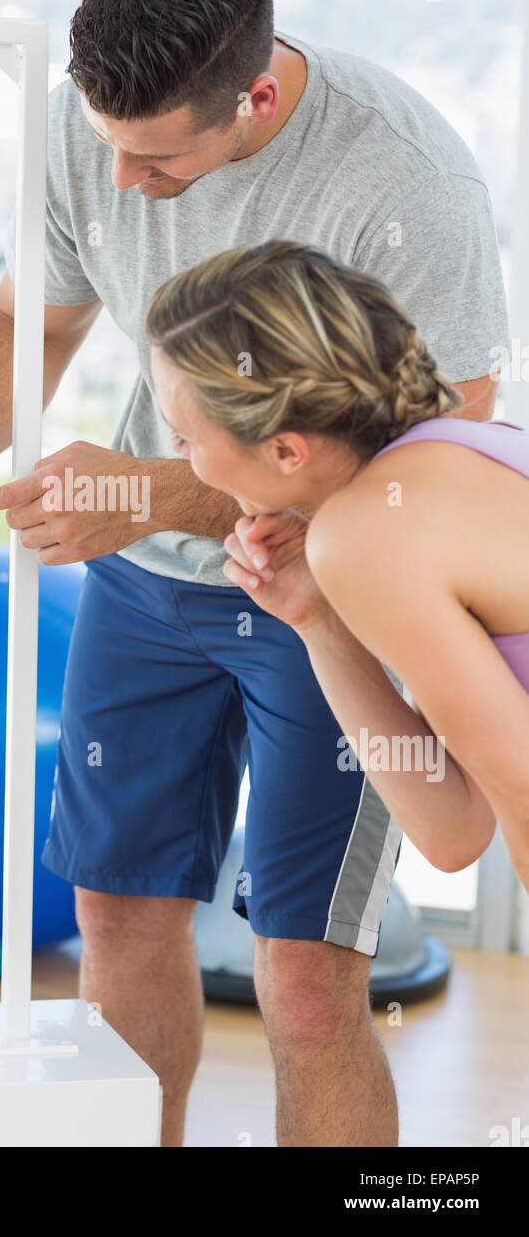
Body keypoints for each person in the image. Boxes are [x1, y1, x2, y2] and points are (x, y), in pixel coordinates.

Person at [0, 0, 508, 1146]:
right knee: (118, 923)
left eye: (155, 163)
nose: (122, 187)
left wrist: (156, 492)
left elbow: (429, 457)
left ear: (253, 97)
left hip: (335, 594)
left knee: (306, 978)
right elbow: (26, 325)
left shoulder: (404, 181)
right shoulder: (88, 126)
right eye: (106, 148)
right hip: (147, 592)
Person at [145, 237, 529, 896]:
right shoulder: (482, 450)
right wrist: (317, 620)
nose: (179, 455)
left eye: (185, 438)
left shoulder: (365, 532)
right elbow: (452, 830)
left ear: (286, 449)